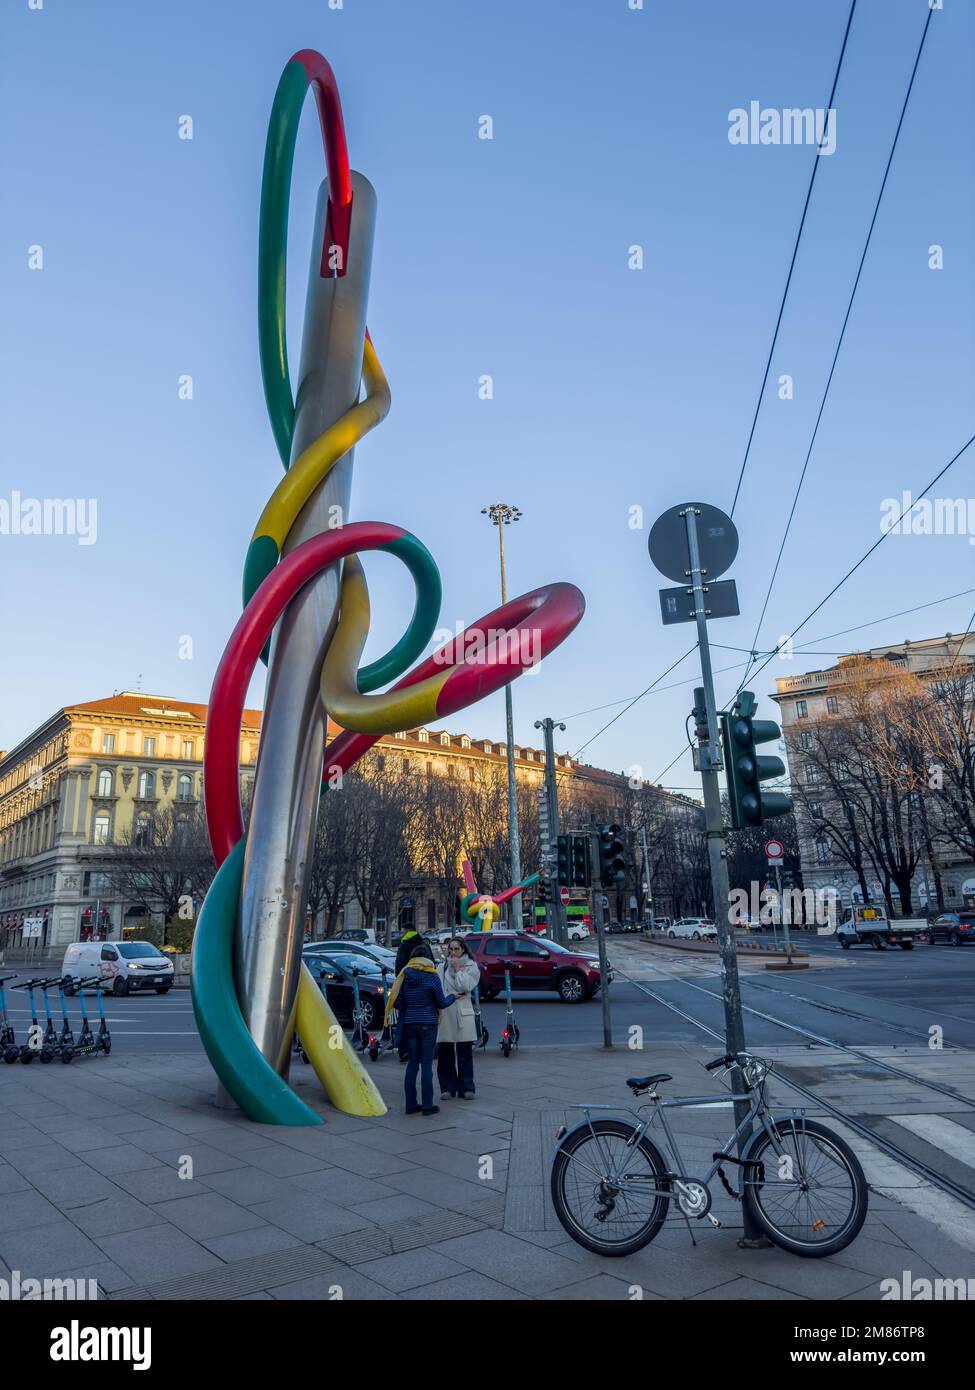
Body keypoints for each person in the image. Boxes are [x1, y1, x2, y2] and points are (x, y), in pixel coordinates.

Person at [384, 940, 456, 1115]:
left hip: (410, 1023)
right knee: (426, 1066)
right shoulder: (432, 976)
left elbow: (397, 1001)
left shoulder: (404, 975)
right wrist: (453, 997)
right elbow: (441, 1002)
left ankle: (410, 1104)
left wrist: (411, 1007)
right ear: (428, 958)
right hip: (428, 1024)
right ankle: (427, 1105)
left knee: (412, 1064)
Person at [436, 937, 481, 1099]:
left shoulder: (471, 966)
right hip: (447, 1011)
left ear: (463, 950)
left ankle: (467, 1087)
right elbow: (438, 988)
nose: (453, 953)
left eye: (456, 949)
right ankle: (447, 1087)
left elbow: (466, 987)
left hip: (463, 1011)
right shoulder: (442, 967)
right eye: (451, 949)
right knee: (445, 1052)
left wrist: (457, 970)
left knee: (464, 1052)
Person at [393, 924, 421, 1061]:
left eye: (402, 931)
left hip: (407, 987)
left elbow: (399, 967)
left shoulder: (404, 946)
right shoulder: (423, 944)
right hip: (423, 988)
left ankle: (404, 1050)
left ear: (407, 932)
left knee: (404, 1019)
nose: (400, 933)